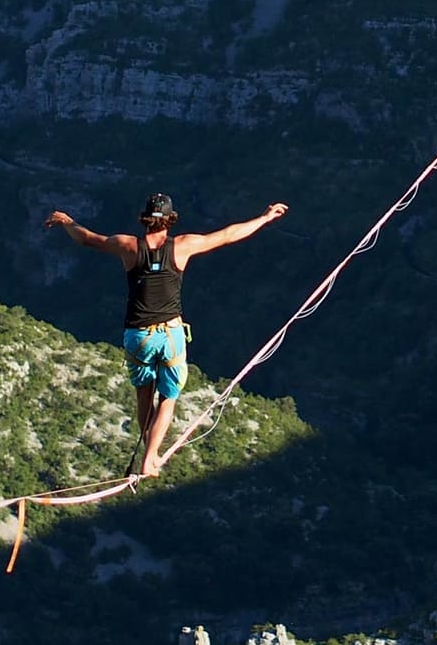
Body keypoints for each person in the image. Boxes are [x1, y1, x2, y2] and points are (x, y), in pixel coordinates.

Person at [43, 191, 289, 477]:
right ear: (170, 220)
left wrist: (67, 221)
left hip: (138, 336)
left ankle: (149, 449)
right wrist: (264, 218)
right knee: (168, 399)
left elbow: (87, 238)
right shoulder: (183, 246)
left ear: (145, 219)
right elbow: (227, 235)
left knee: (143, 398)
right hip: (170, 334)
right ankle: (150, 458)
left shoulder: (128, 246)